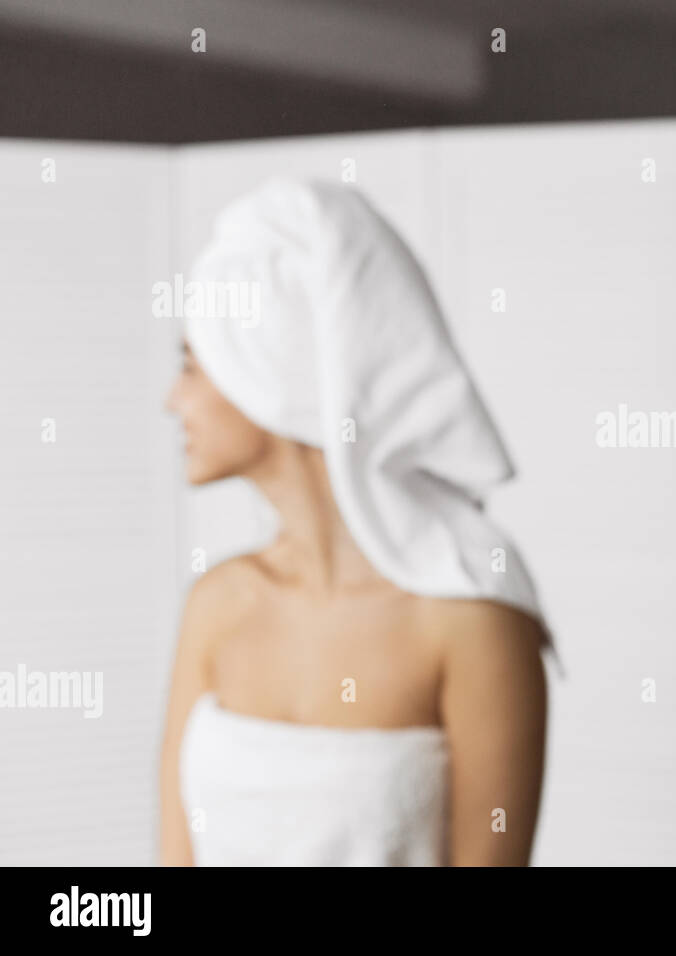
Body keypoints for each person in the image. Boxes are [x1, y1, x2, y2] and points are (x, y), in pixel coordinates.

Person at [158, 179, 554, 866]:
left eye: (192, 364)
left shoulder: (471, 621)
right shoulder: (216, 605)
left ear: (268, 364)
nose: (173, 402)